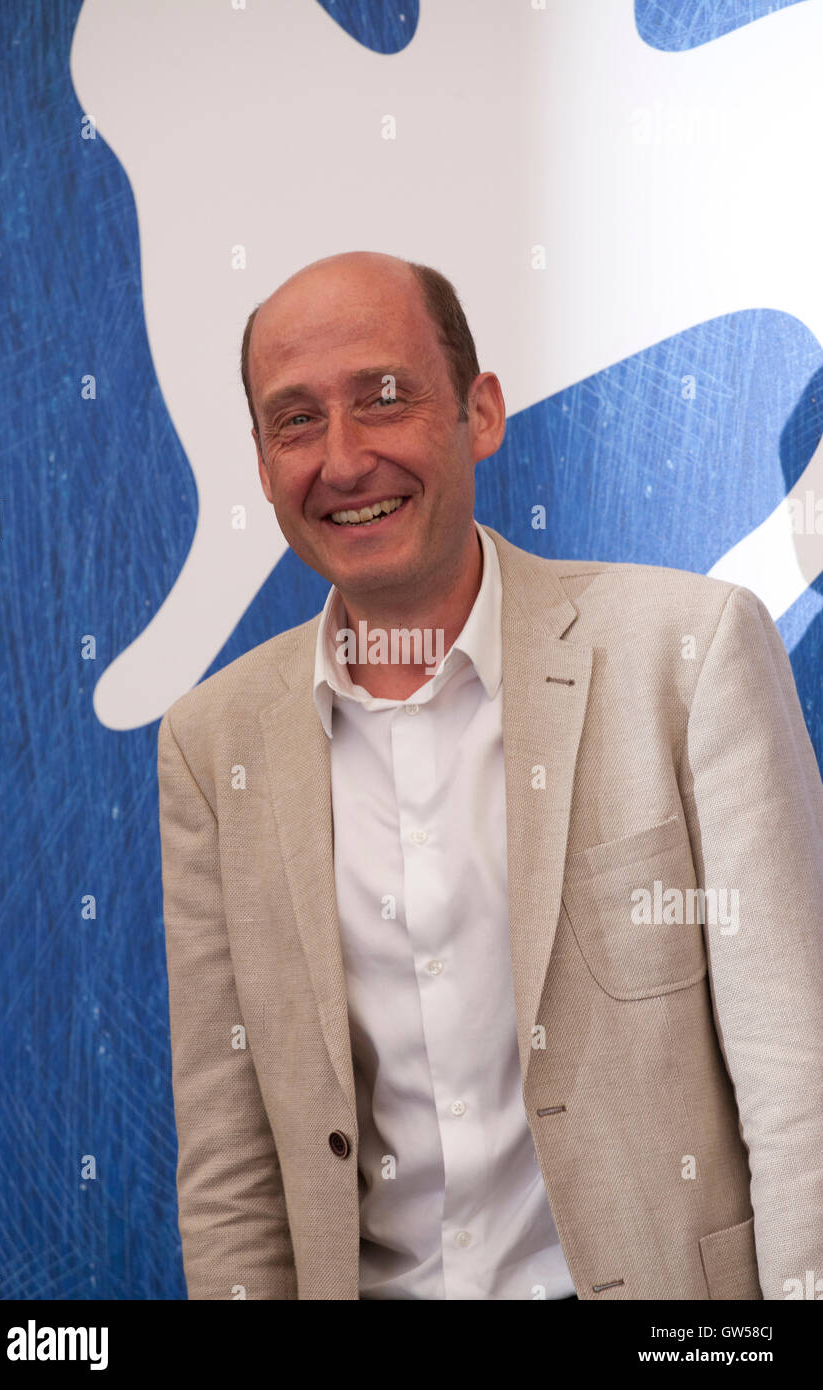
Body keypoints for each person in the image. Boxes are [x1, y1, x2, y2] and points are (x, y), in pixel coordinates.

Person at [157, 250, 823, 1300]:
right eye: (295, 420)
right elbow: (232, 1165)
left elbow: (801, 1085)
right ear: (259, 464)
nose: (341, 458)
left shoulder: (688, 658)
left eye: (383, 398)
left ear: (480, 413)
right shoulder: (211, 744)